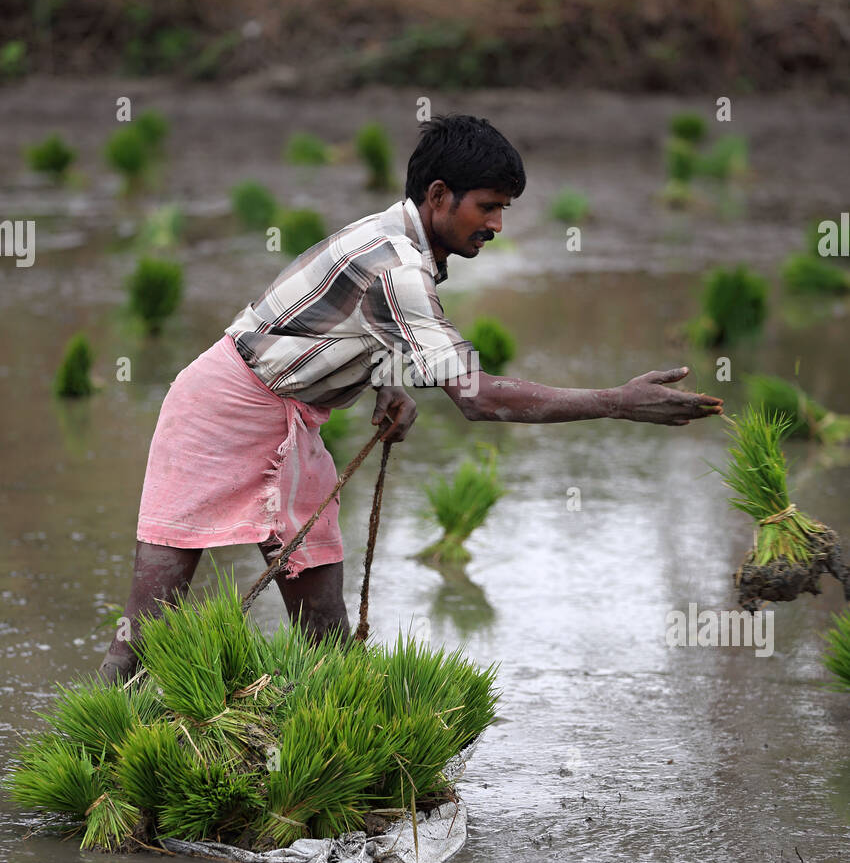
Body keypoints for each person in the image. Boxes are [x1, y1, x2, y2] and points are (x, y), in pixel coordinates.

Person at [99, 114, 723, 682]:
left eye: (505, 210)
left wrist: (387, 382)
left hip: (290, 423)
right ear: (438, 196)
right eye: (488, 207)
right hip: (218, 411)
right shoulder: (396, 263)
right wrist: (616, 401)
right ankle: (97, 755)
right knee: (148, 623)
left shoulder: (401, 246)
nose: (498, 226)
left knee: (323, 621)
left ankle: (336, 764)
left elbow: (343, 325)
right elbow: (477, 398)